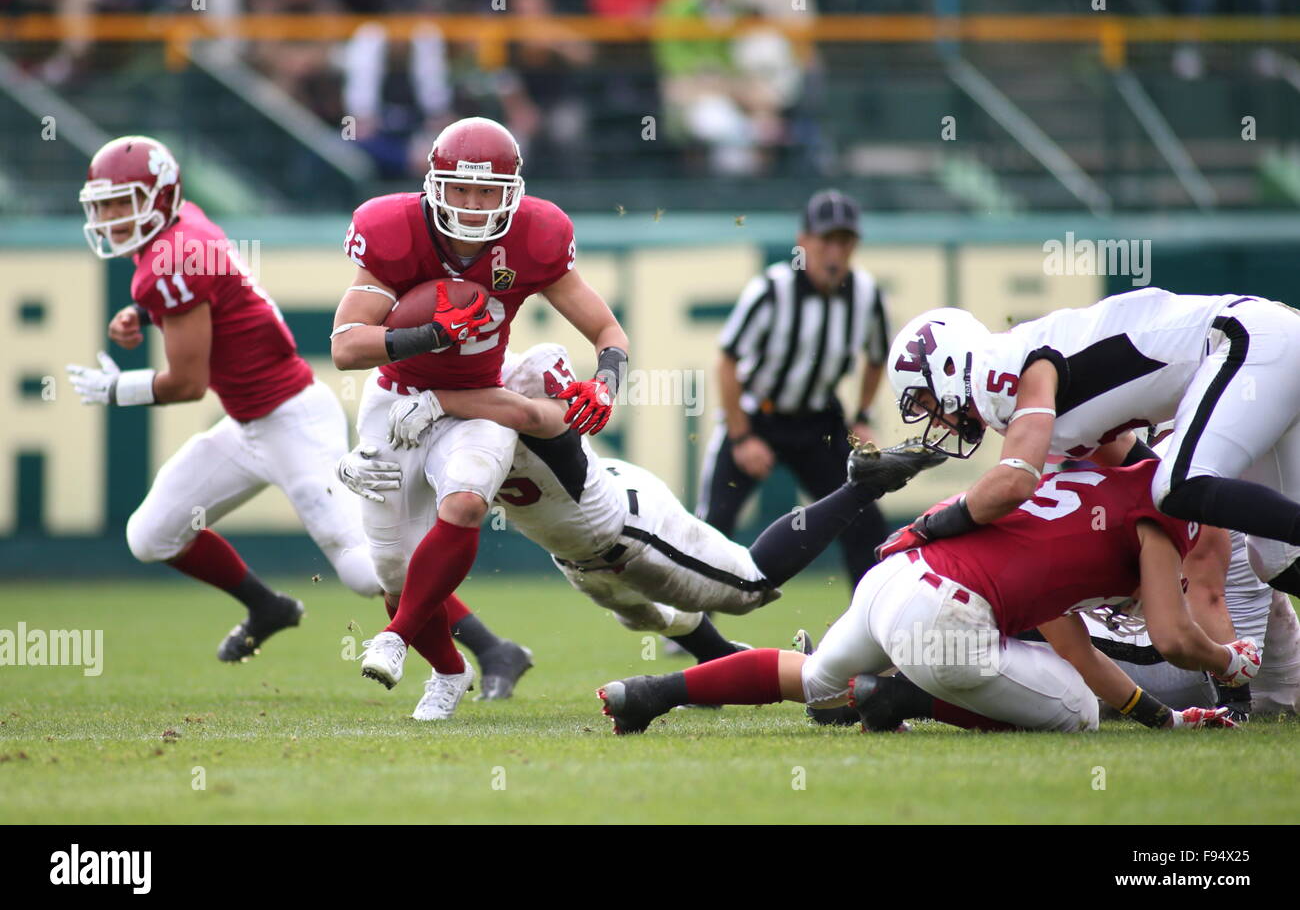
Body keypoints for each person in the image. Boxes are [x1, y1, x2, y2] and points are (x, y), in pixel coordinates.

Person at [337, 343, 945, 672]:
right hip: (576, 560)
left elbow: (531, 414)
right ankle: (777, 670)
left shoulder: (521, 394)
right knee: (661, 621)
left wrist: (441, 397)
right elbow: (416, 480)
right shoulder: (450, 419)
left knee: (747, 585)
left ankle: (862, 485)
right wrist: (361, 459)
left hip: (629, 525)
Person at [598, 459, 1259, 734]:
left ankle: (654, 693)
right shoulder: (1160, 511)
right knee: (1079, 712)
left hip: (893, 575)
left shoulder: (1071, 477)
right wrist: (1212, 679)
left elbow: (1062, 619)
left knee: (814, 685)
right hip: (945, 611)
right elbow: (1167, 641)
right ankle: (900, 696)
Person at [329, 116, 629, 718]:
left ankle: (394, 639)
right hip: (397, 401)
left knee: (465, 502)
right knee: (393, 574)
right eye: (459, 189)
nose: (471, 204)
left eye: (486, 191)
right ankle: (449, 670)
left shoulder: (536, 236)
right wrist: (431, 333)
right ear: (433, 185)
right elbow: (346, 345)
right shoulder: (393, 229)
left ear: (511, 194)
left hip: (477, 399)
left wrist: (606, 382)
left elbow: (605, 330)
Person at [67, 135, 381, 662]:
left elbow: (187, 385)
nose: (112, 218)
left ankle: (489, 647)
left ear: (160, 197)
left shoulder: (172, 257)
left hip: (293, 417)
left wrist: (117, 388)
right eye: (104, 205)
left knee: (363, 571)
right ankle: (268, 608)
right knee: (151, 535)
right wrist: (145, 314)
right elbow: (212, 291)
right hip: (248, 424)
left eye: (124, 202)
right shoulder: (182, 225)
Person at [876, 289, 1300, 603]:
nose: (936, 419)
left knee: (1181, 484)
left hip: (1242, 341)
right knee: (1277, 560)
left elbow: (1014, 484)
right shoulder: (1031, 401)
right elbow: (1134, 463)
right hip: (1261, 346)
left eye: (928, 401)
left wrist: (926, 528)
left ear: (948, 365)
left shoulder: (997, 366)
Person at [699, 189, 890, 591]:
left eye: (845, 241)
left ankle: (873, 622)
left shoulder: (866, 295)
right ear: (804, 241)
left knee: (863, 520)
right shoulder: (772, 290)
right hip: (757, 415)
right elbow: (727, 361)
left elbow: (877, 357)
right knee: (714, 522)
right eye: (827, 241)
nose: (835, 253)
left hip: (820, 421)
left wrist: (863, 416)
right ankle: (687, 621)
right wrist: (741, 436)